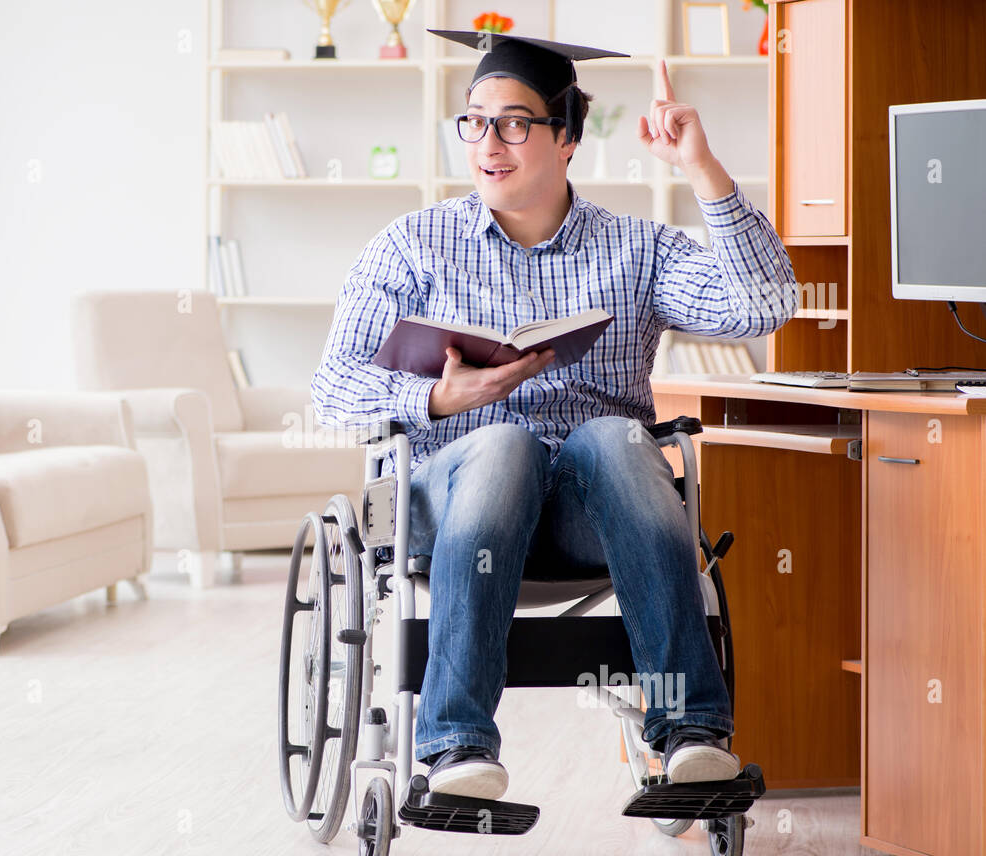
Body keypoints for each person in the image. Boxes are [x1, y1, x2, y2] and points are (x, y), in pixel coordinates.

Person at [310, 31, 798, 800]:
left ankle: (690, 733)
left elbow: (765, 306)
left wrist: (702, 169)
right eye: (474, 121)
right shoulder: (410, 247)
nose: (488, 143)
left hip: (588, 515)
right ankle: (457, 745)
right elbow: (331, 389)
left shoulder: (637, 250)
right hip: (451, 503)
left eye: (514, 122)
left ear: (568, 136)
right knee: (501, 442)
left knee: (613, 436)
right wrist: (442, 397)